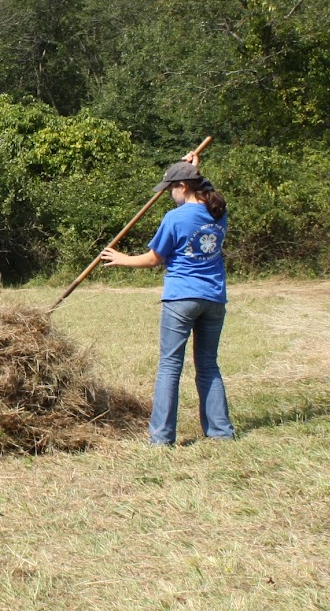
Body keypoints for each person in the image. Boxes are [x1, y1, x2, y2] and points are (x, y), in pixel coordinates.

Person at [98, 154, 233, 446]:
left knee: (170, 366)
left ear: (182, 186)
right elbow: (205, 190)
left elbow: (154, 259)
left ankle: (161, 437)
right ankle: (221, 433)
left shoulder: (175, 218)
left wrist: (121, 259)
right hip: (214, 298)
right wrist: (195, 170)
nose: (169, 194)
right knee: (208, 365)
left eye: (170, 188)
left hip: (181, 298)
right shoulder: (218, 212)